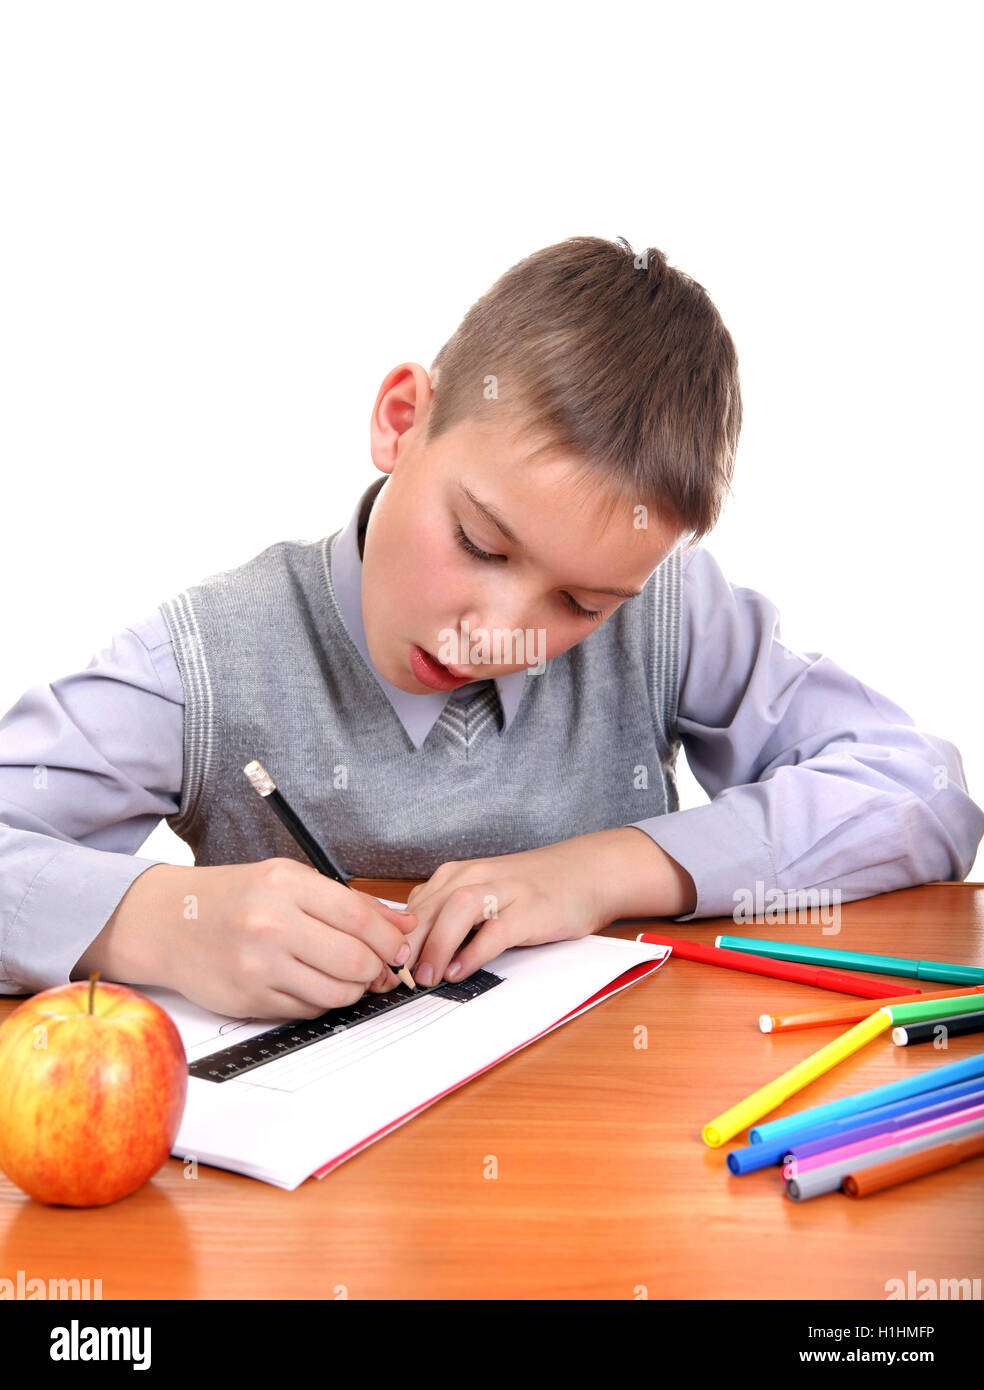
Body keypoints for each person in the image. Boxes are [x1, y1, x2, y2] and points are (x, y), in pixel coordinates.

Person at [2, 236, 980, 1019]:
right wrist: (153, 917)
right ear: (402, 419)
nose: (497, 633)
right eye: (479, 540)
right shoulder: (207, 659)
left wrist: (603, 869)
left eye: (581, 606)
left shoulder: (671, 612)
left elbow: (921, 784)